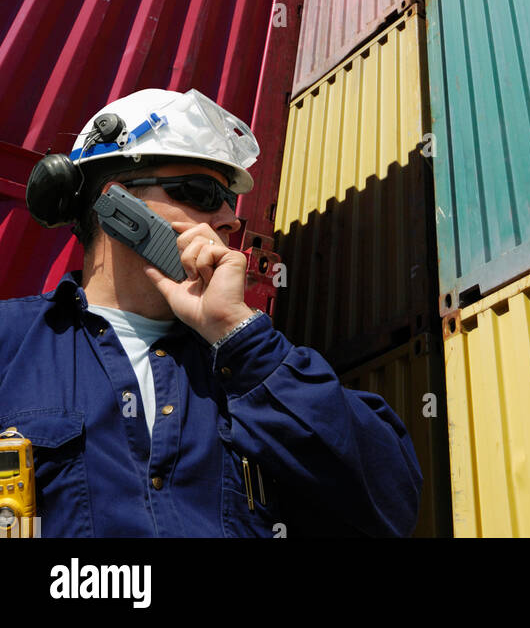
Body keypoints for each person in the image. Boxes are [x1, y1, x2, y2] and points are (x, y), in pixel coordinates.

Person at [0, 87, 422, 538]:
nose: (229, 219)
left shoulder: (254, 367)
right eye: (201, 193)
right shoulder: (11, 344)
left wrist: (239, 337)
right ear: (117, 205)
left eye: (230, 201)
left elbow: (391, 504)